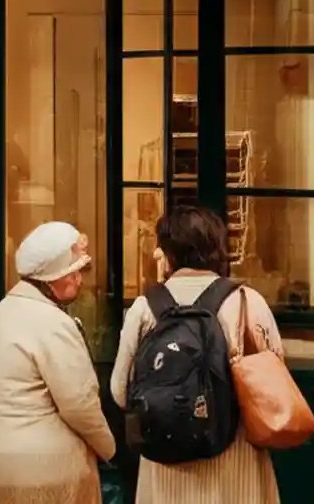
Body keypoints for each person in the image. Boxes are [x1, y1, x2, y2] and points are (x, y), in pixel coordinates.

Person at [109, 205, 282, 504]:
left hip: (165, 466)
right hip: (234, 463)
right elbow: (274, 387)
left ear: (168, 252)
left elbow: (120, 392)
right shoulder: (246, 302)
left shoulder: (144, 308)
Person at [0, 221, 115, 504]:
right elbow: (80, 405)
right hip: (46, 473)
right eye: (73, 272)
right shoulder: (53, 323)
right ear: (50, 279)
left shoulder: (1, 312)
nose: (79, 279)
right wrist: (111, 449)